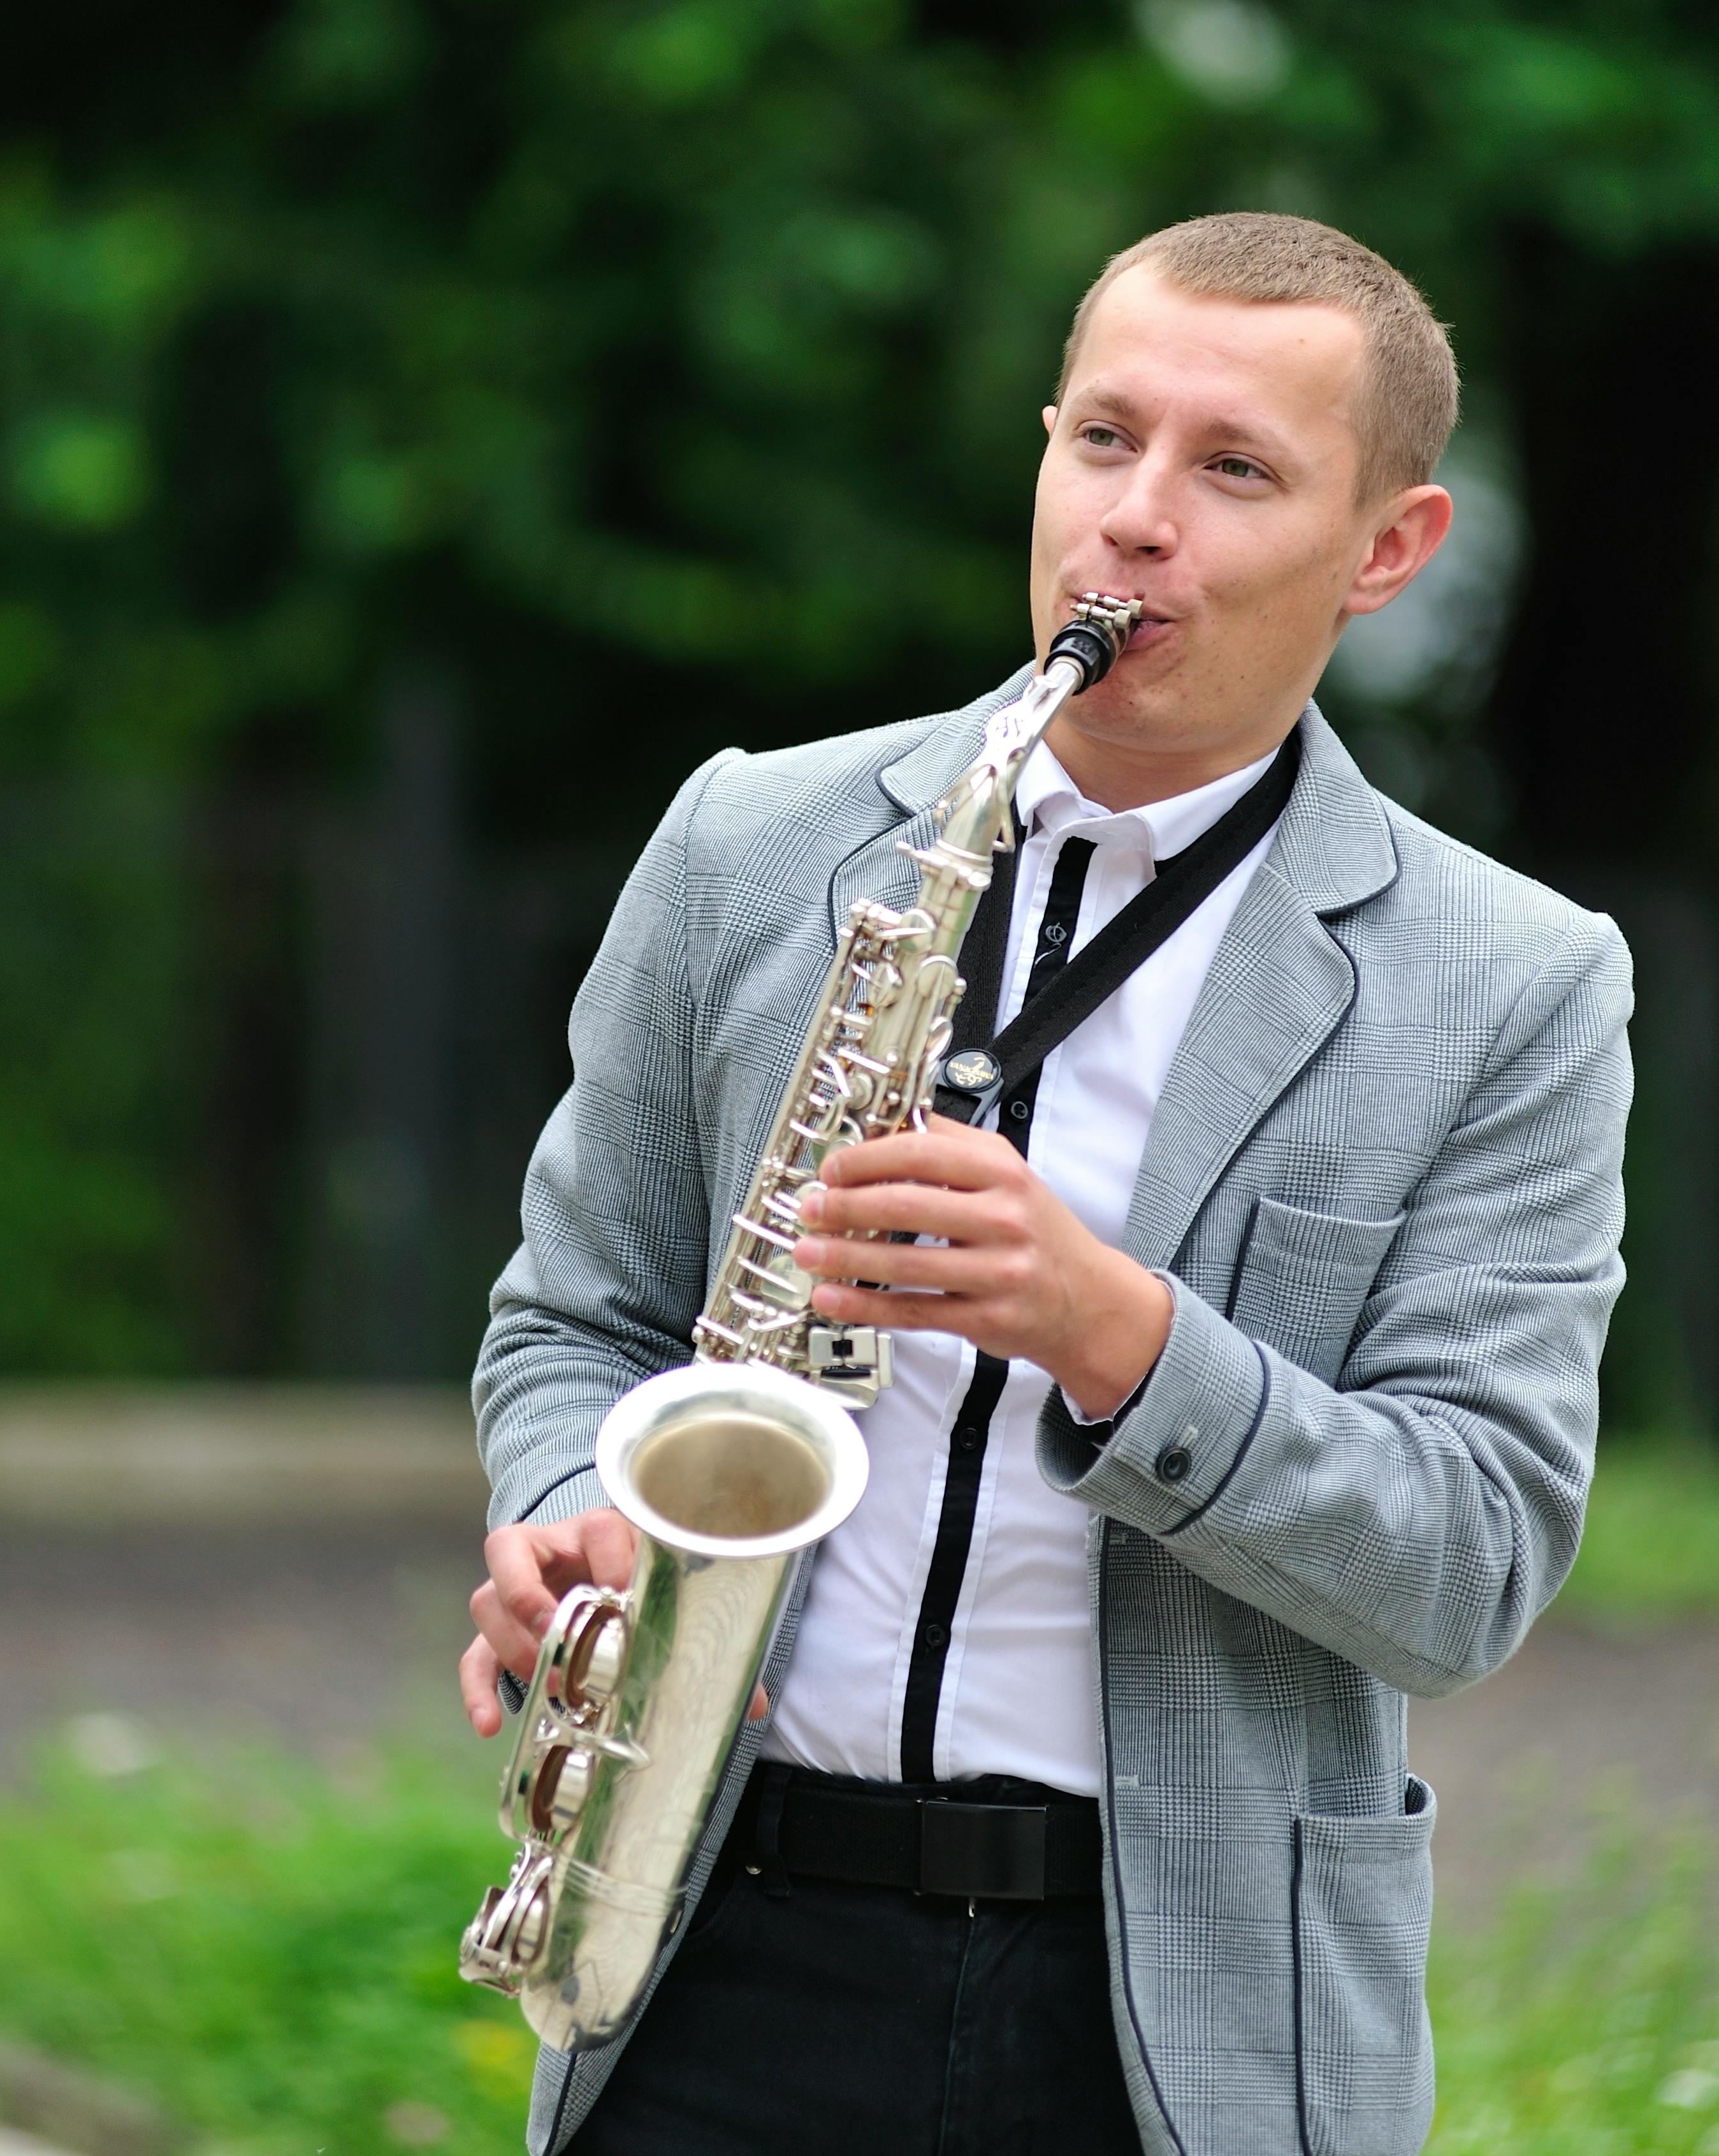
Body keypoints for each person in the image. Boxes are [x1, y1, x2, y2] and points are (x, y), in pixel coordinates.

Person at [463, 212, 1630, 2156]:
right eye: (1101, 439)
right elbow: (572, 1316)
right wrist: (576, 1503)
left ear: (1387, 552)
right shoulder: (753, 841)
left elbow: (1471, 1564)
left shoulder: (1509, 981)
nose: (1135, 522)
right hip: (708, 1953)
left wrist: (1120, 1336)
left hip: (1174, 2016)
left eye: (1234, 468)